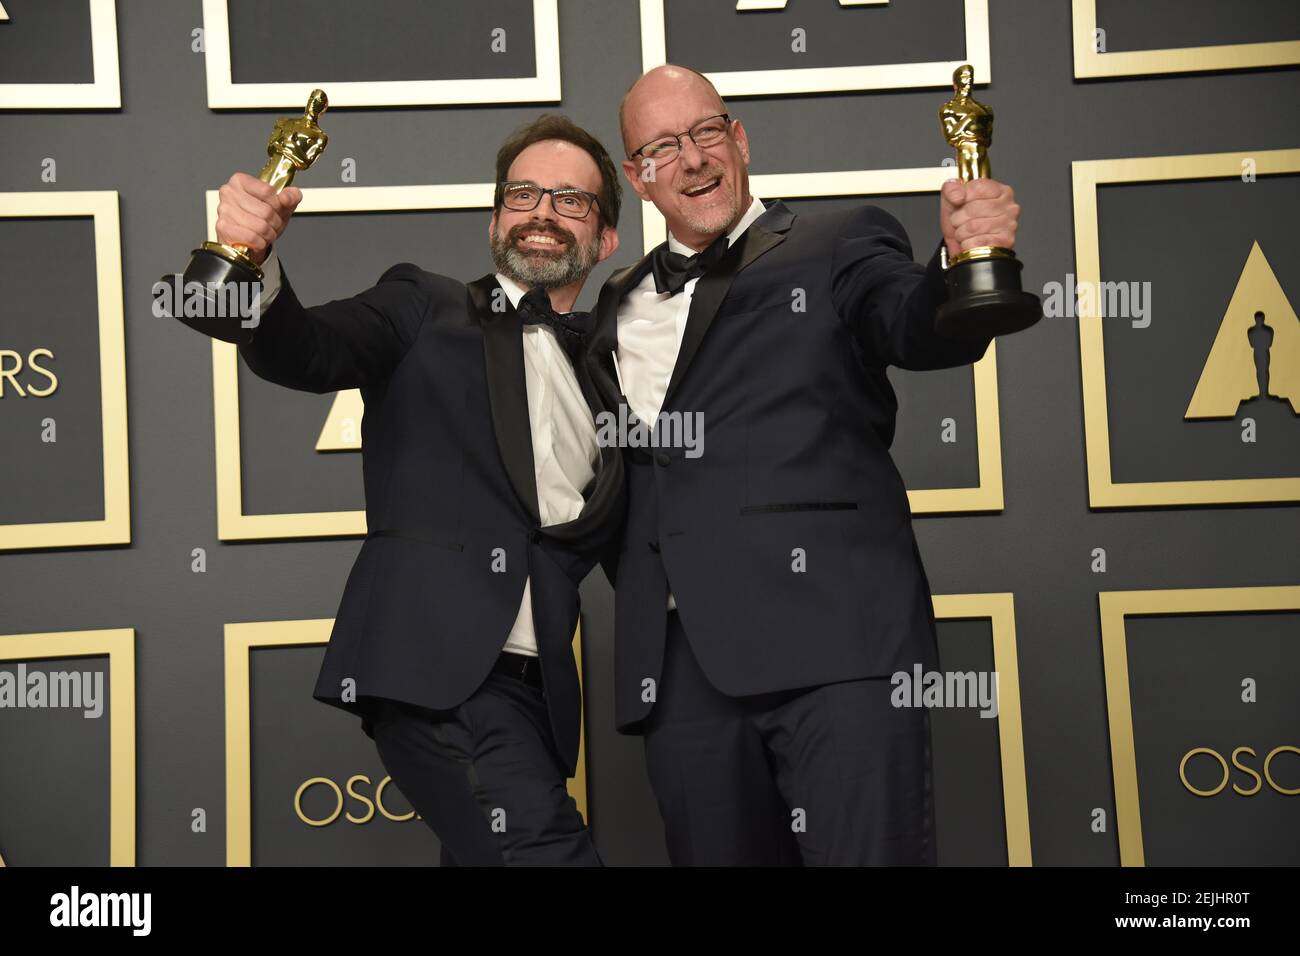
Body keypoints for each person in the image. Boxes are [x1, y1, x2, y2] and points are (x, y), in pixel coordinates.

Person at [587, 65, 1024, 865]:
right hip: (680, 677)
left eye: (706, 133)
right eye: (661, 148)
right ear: (637, 177)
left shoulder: (838, 242)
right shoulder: (614, 302)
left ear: (740, 139)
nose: (691, 159)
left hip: (839, 650)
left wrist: (965, 262)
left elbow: (913, 323)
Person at [190, 114, 625, 865]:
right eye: (523, 194)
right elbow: (303, 349)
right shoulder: (422, 305)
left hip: (539, 692)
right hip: (440, 672)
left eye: (570, 199)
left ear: (606, 237)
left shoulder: (614, 367)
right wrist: (248, 256)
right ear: (495, 219)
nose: (543, 212)